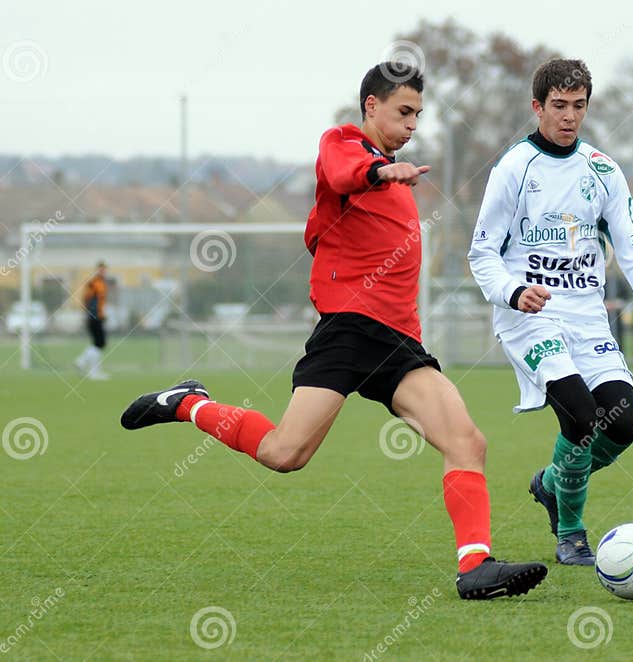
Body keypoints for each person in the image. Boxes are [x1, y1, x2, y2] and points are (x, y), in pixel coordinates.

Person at [120, 62, 547, 600]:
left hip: (397, 344)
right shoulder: (344, 145)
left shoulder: (394, 174)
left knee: (467, 441)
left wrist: (386, 180)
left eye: (418, 113)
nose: (413, 123)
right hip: (347, 332)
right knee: (284, 454)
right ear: (371, 106)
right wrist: (379, 173)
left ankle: (476, 568)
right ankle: (188, 403)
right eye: (403, 111)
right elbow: (344, 172)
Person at [467, 59, 633, 566]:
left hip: (587, 317)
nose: (569, 116)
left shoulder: (602, 170)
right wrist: (513, 292)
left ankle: (550, 483)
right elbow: (481, 253)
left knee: (622, 424)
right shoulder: (513, 169)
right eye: (559, 106)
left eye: (579, 106)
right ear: (537, 107)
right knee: (581, 418)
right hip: (530, 316)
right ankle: (571, 534)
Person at [74, 261, 110, 380]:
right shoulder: (94, 283)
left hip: (98, 316)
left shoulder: (101, 283)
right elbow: (88, 299)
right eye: (101, 269)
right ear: (97, 270)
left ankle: (83, 362)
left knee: (99, 343)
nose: (103, 272)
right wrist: (92, 314)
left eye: (104, 270)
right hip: (94, 316)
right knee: (99, 342)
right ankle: (90, 369)